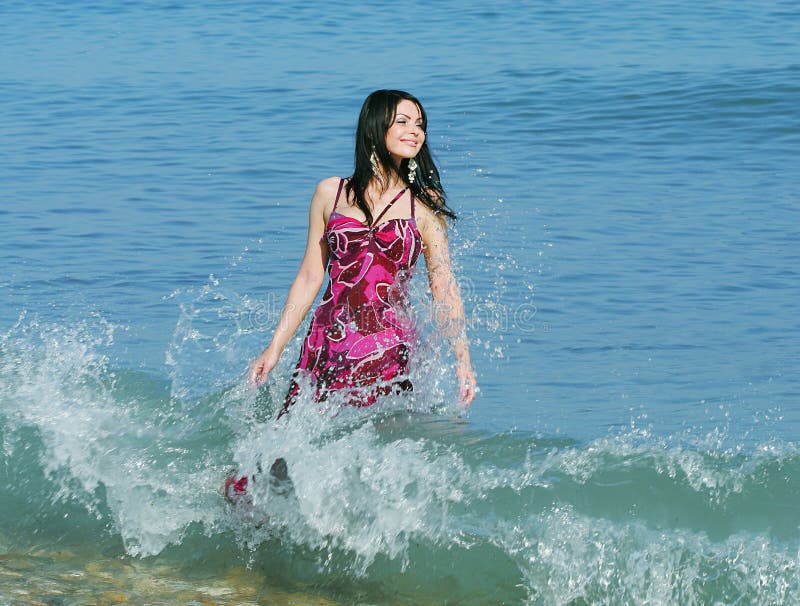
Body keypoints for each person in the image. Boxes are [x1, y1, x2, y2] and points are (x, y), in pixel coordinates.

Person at [224, 90, 476, 502]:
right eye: (404, 122)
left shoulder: (424, 206)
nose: (416, 132)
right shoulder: (331, 193)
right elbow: (309, 276)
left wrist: (462, 360)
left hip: (388, 349)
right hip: (328, 343)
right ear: (376, 127)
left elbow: (443, 289)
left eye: (420, 124)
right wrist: (274, 347)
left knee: (369, 451)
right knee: (280, 453)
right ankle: (259, 525)